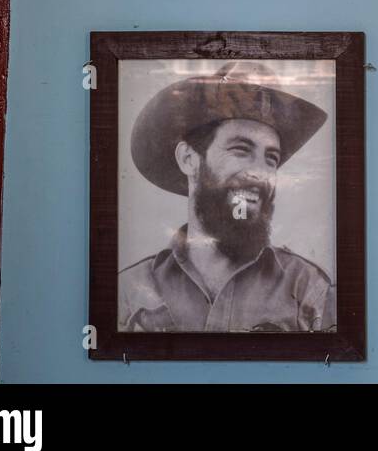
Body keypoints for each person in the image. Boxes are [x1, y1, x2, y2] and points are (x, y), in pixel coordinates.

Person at [118, 61, 335, 332]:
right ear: (188, 159)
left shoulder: (309, 290)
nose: (259, 173)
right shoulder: (129, 292)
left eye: (271, 158)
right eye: (241, 150)